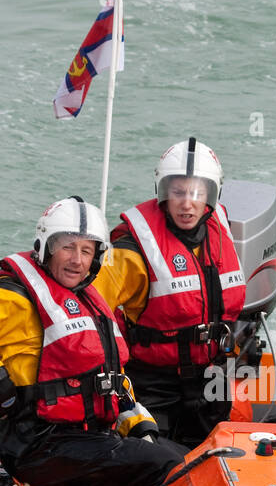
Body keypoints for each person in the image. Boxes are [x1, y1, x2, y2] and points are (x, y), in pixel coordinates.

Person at [0, 196, 182, 486]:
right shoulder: (11, 297)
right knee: (164, 464)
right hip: (38, 444)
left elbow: (110, 378)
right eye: (68, 247)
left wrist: (137, 424)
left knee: (185, 458)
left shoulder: (88, 300)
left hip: (86, 437)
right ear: (47, 247)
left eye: (87, 251)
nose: (77, 259)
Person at [95, 138, 247, 447]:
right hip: (153, 383)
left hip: (211, 376)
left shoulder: (220, 229)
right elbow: (93, 311)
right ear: (163, 192)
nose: (187, 203)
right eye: (177, 192)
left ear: (211, 196)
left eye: (197, 193)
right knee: (157, 462)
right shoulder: (132, 250)